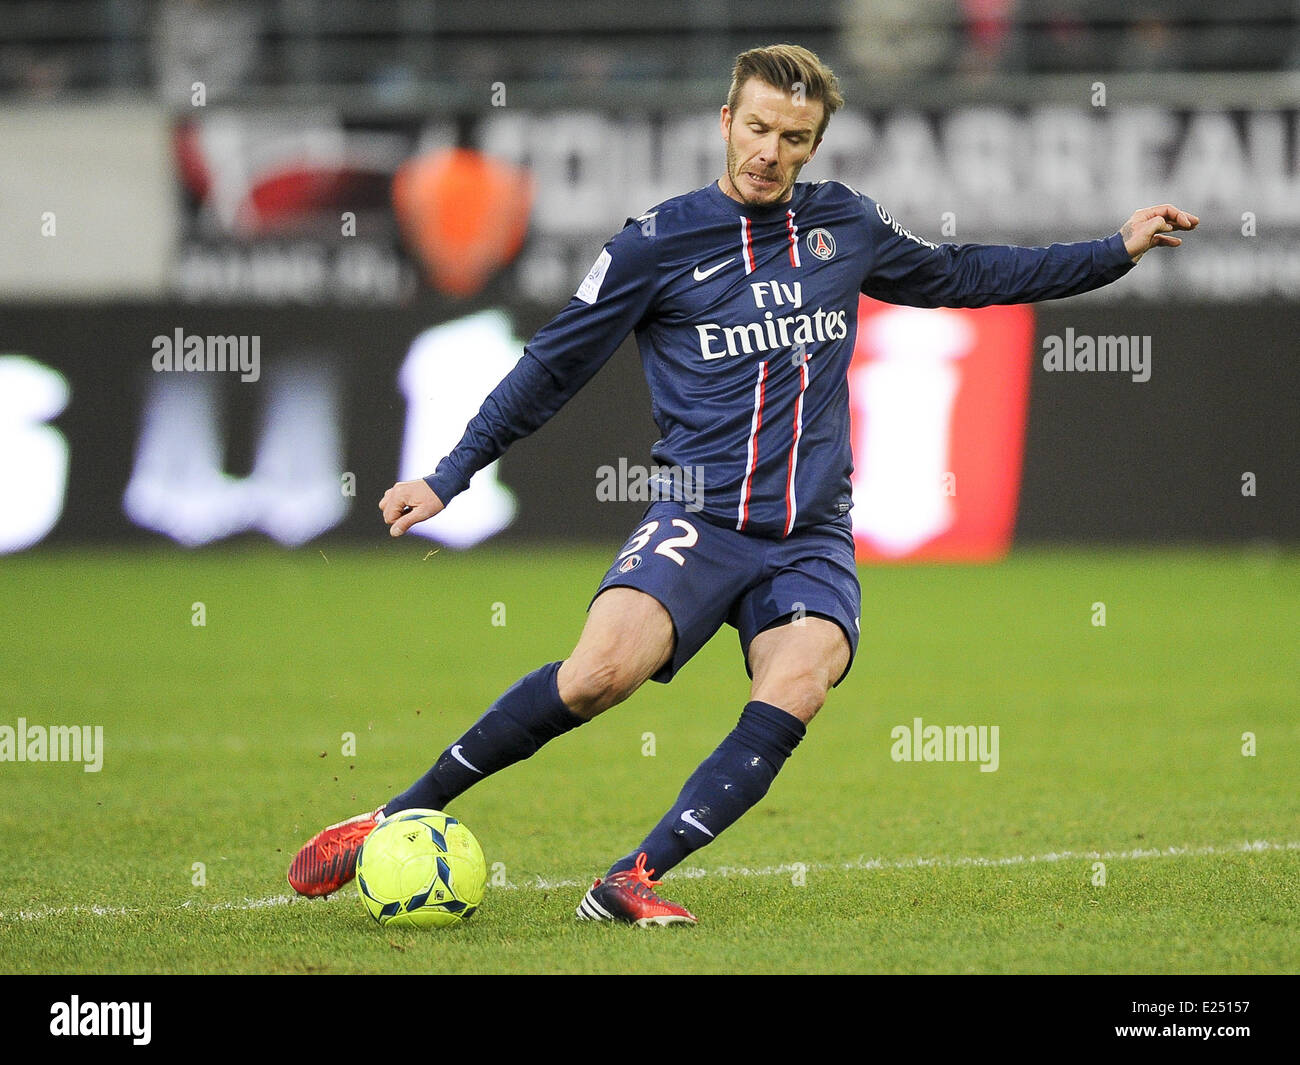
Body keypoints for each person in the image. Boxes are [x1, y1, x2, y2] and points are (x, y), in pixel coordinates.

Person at [288, 43, 1197, 925]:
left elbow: (967, 275)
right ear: (727, 121)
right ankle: (398, 810)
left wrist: (1113, 249)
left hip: (810, 532)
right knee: (600, 673)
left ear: (814, 145)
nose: (771, 152)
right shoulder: (657, 243)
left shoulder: (846, 226)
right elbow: (550, 366)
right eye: (758, 128)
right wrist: (449, 475)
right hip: (701, 517)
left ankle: (632, 877)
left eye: (794, 138)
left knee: (801, 678)